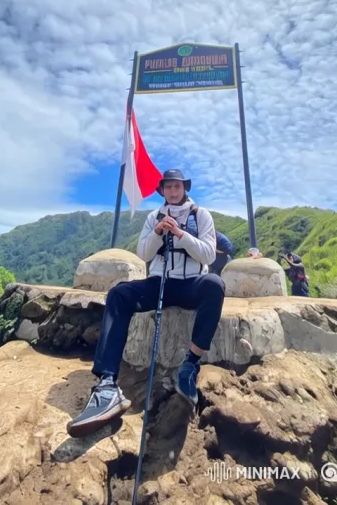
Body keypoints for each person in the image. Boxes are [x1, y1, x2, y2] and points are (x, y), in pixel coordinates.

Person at [66, 168, 224, 438]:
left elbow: (208, 253)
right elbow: (143, 253)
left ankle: (190, 364)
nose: (173, 191)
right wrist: (159, 233)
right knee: (119, 293)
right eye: (168, 187)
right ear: (162, 191)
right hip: (159, 282)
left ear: (185, 188)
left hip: (191, 283)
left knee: (215, 286)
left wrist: (181, 235)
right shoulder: (153, 217)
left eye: (177, 186)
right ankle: (106, 382)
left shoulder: (201, 215)